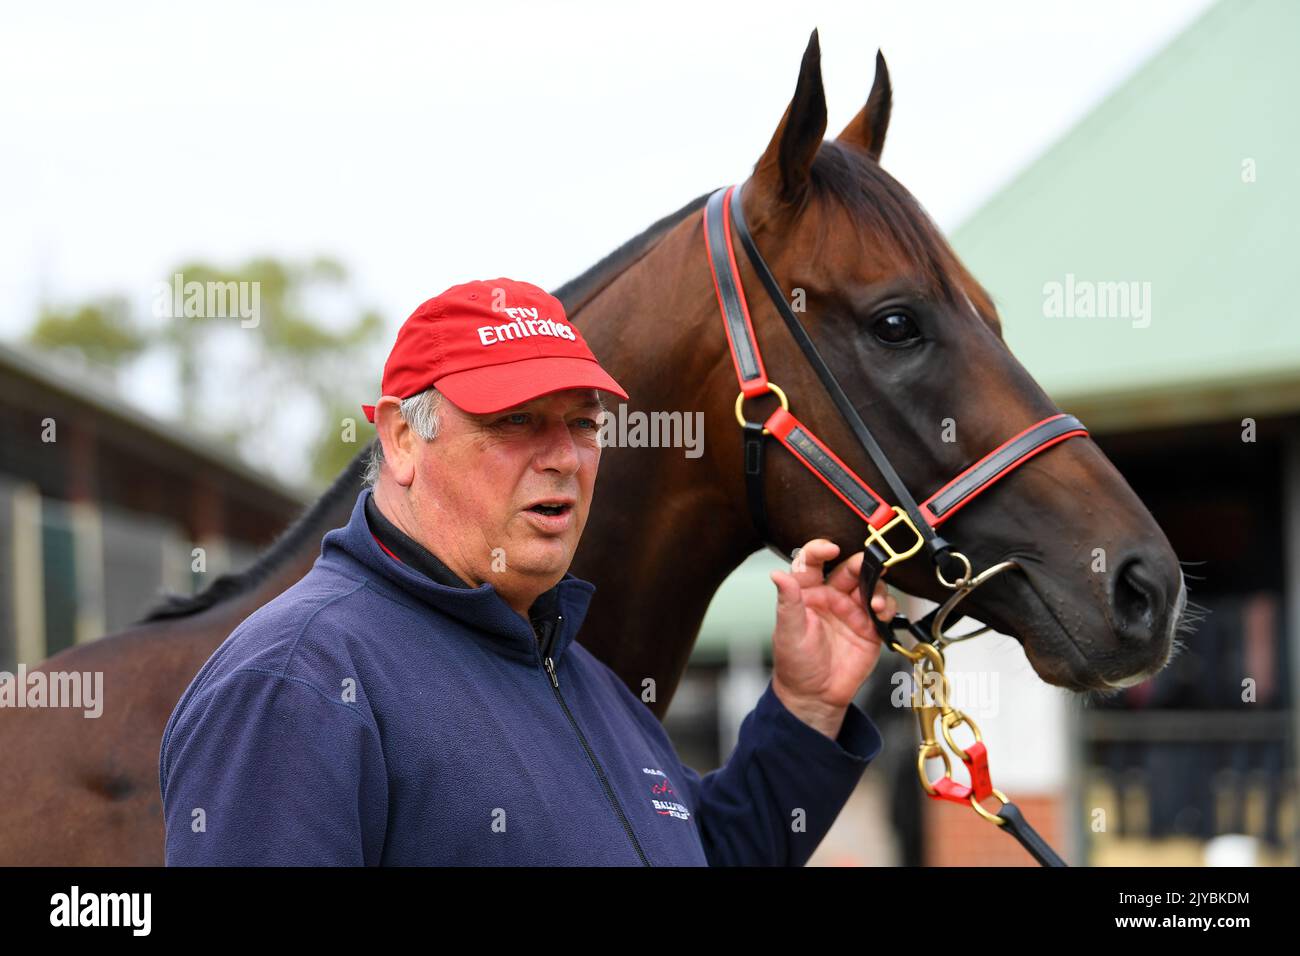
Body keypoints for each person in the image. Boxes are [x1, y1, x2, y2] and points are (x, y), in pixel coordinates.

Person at [159, 277, 897, 865]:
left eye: (582, 423)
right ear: (401, 440)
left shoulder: (578, 673)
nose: (563, 458)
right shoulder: (298, 680)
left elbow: (707, 855)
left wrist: (807, 707)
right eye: (513, 420)